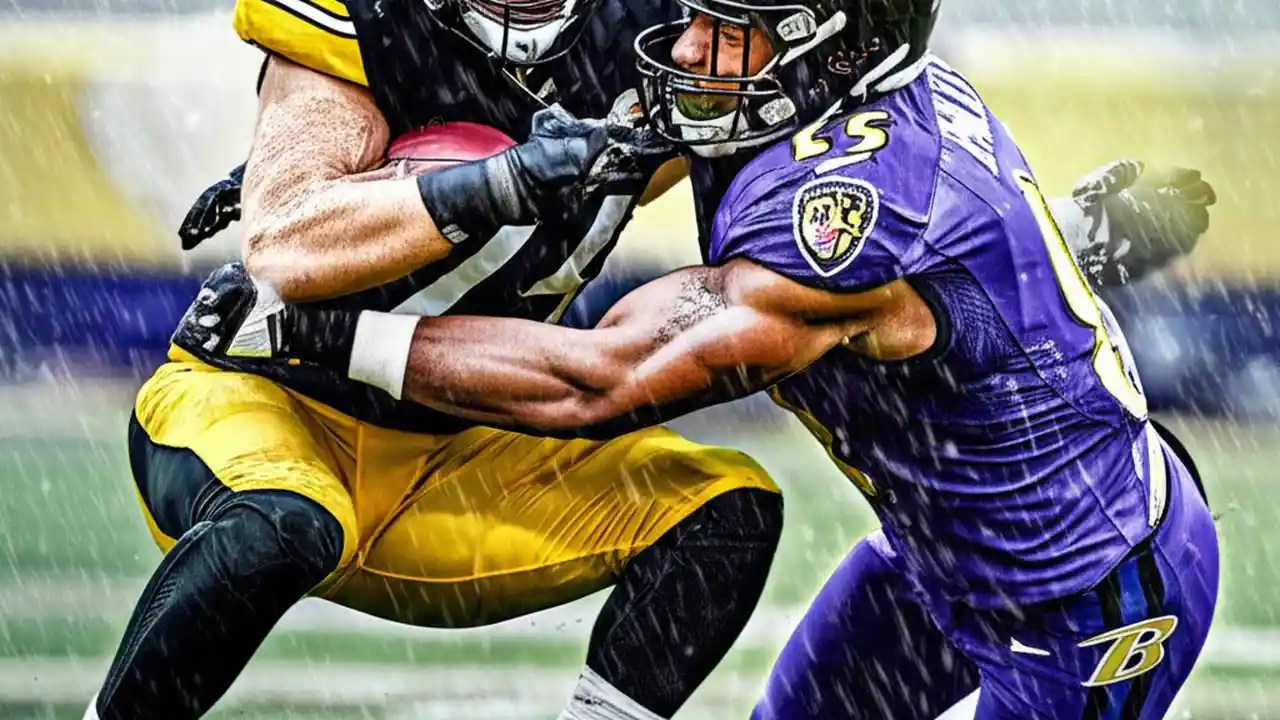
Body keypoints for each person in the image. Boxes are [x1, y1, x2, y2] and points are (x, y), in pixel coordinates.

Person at [179, 0, 1221, 717]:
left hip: (1089, 595)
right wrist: (343, 178)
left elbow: (594, 381)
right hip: (932, 561)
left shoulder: (846, 218)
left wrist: (326, 336)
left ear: (835, 53)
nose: (684, 52)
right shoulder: (814, 110)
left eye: (728, 32)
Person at [90, 0, 789, 718]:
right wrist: (491, 184)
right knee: (281, 524)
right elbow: (284, 249)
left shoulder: (661, 36)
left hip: (453, 445)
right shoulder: (369, 18)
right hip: (270, 404)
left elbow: (772, 97)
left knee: (723, 510)